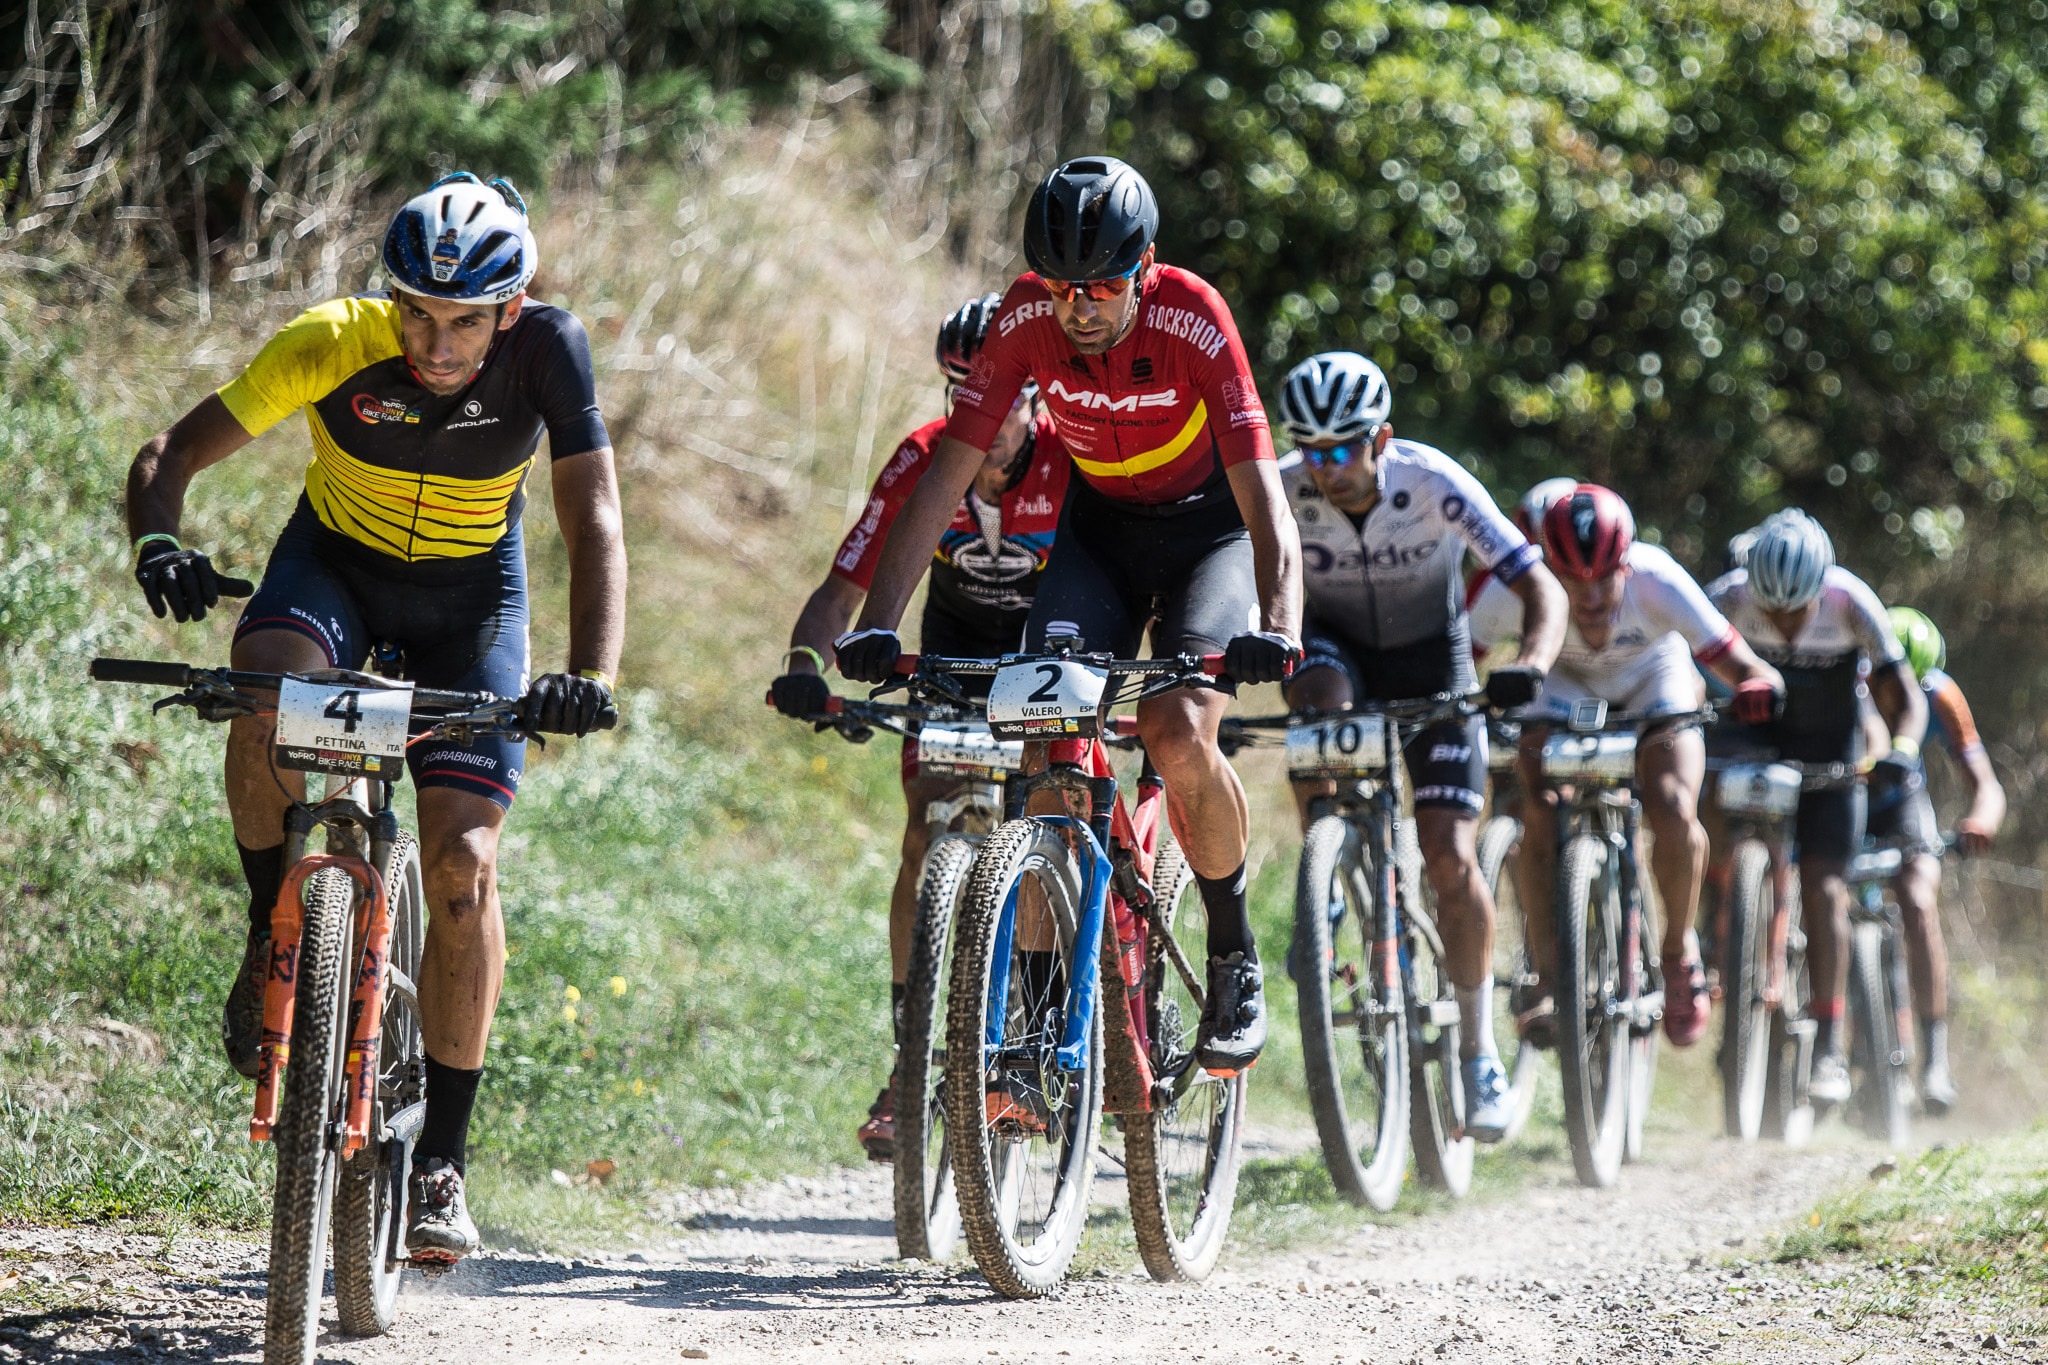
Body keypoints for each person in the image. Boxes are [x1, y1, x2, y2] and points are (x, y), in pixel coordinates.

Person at [124, 173, 626, 1264]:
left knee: (463, 870)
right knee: (260, 697)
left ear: (511, 307)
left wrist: (588, 671)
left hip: (471, 602)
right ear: (386, 297)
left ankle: (442, 1159)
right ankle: (272, 930)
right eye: (415, 313)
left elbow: (592, 520)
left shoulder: (550, 349)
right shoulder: (330, 341)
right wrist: (158, 541)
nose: (436, 345)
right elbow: (166, 457)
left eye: (463, 322)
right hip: (333, 571)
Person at [833, 155, 1303, 1073]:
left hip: (1211, 535)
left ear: (1147, 265)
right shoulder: (1022, 320)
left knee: (1173, 730)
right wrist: (880, 621)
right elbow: (945, 478)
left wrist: (1278, 621)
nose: (1079, 308)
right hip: (1102, 536)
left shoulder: (1193, 316)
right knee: (1052, 739)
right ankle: (1045, 1023)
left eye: (1101, 286)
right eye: (1061, 289)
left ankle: (1233, 950)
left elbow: (1265, 500)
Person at [768, 294, 1068, 1159]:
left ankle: (1040, 1038)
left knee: (1048, 810)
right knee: (921, 836)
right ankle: (911, 1060)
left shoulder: (1070, 464)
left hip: (1043, 650)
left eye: (1004, 397)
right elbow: (843, 587)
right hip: (949, 653)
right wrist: (804, 668)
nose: (985, 413)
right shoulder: (925, 458)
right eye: (962, 390)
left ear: (1034, 398)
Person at [1275, 350, 1565, 1141]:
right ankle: (1324, 877)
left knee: (1446, 854)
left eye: (1345, 448)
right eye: (1311, 449)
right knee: (1317, 693)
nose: (1327, 467)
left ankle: (1477, 1053)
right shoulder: (1282, 485)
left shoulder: (1434, 481)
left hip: (1434, 659)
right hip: (1334, 647)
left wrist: (1530, 667)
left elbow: (1540, 584)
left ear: (1383, 437)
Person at [1469, 485, 1784, 1049]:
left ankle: (1677, 951)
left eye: (1604, 577)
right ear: (1547, 567)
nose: (1589, 596)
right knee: (1537, 808)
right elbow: (1458, 656)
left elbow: (1738, 660)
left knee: (1672, 805)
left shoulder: (1658, 580)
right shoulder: (1514, 585)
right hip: (1562, 688)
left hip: (1652, 684)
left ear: (1626, 561)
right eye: (1572, 580)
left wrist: (1761, 686)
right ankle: (1547, 972)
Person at [1706, 509, 1925, 1108]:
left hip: (1831, 748)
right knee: (1696, 796)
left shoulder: (1851, 602)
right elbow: (1676, 668)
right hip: (1748, 737)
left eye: (1794, 610)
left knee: (1827, 886)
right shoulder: (1725, 597)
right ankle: (1711, 925)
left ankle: (1828, 1042)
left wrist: (1901, 750)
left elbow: (1903, 698)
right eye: (1768, 611)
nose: (1780, 622)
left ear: (1819, 587)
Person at [1864, 606, 2004, 1114]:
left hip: (1903, 803)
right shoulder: (1846, 681)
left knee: (1919, 900)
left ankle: (1933, 1060)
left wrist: (1980, 821)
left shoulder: (1941, 694)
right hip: (1843, 796)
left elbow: (1985, 783)